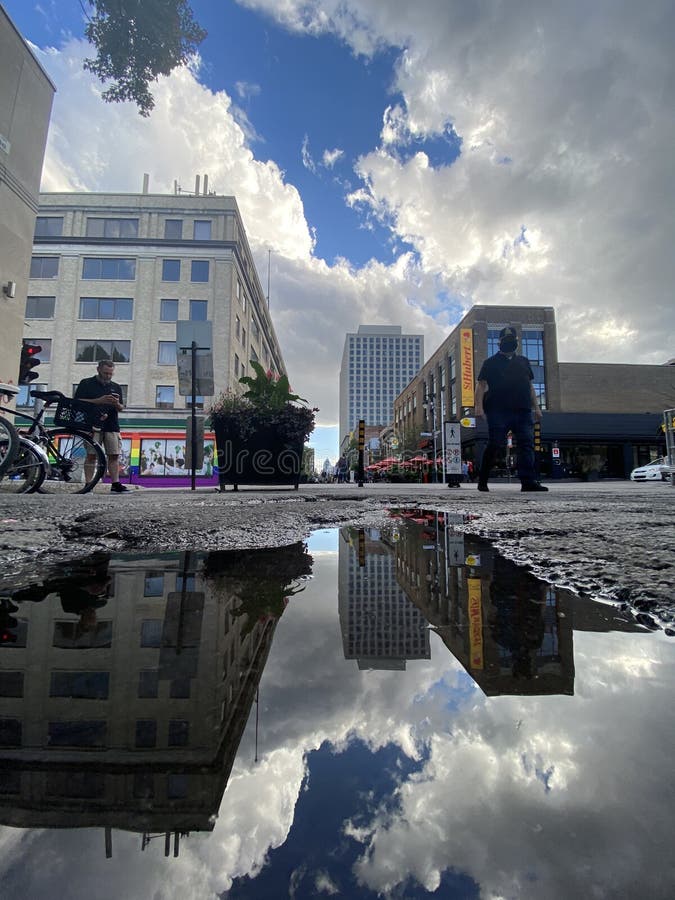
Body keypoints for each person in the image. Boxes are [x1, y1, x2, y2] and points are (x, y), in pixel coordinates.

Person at [474, 326, 548, 493]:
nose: (509, 343)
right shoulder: (490, 363)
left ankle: (528, 482)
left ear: (517, 342)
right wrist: (478, 407)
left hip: (522, 410)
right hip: (498, 411)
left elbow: (530, 386)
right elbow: (481, 385)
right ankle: (483, 480)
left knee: (527, 445)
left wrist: (537, 408)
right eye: (505, 340)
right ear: (499, 343)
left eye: (512, 340)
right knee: (494, 444)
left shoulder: (523, 361)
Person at [74, 359, 129, 493]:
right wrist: (98, 401)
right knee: (91, 455)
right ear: (98, 370)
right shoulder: (86, 383)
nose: (108, 376)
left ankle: (115, 484)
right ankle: (88, 484)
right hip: (92, 423)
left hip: (111, 424)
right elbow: (76, 402)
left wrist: (116, 403)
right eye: (105, 373)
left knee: (114, 454)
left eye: (110, 374)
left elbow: (121, 407)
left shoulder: (116, 387)